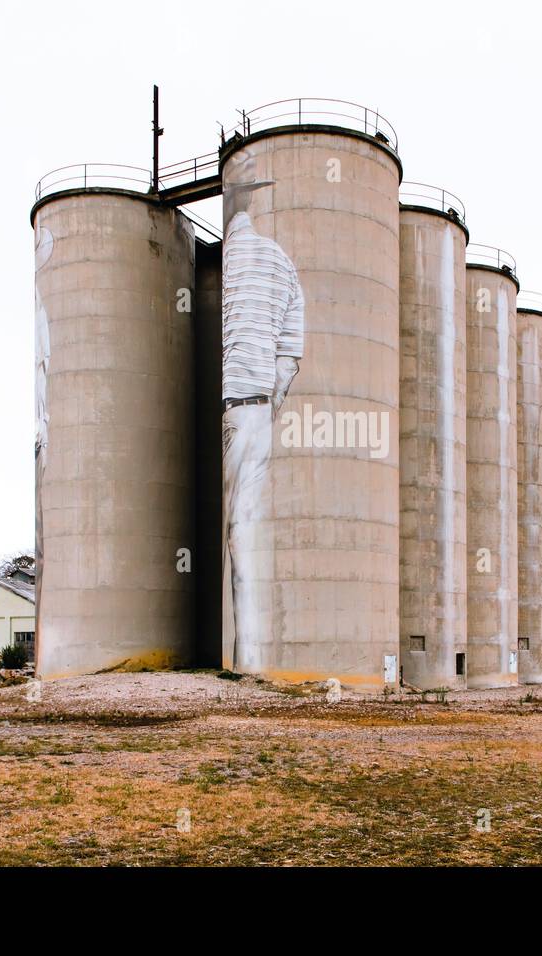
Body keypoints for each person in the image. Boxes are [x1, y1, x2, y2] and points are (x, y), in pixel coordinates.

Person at [221, 154, 304, 673]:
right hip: (256, 415)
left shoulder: (224, 260)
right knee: (244, 534)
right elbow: (289, 358)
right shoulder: (280, 259)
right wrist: (265, 406)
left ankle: (232, 659)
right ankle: (248, 658)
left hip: (226, 407)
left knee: (221, 531)